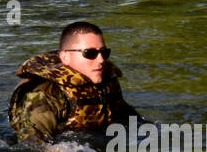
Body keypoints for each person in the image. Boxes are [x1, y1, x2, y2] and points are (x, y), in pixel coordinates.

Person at [8, 21, 141, 145]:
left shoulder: (105, 84)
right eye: (90, 53)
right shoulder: (43, 94)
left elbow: (131, 119)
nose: (101, 60)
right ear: (65, 57)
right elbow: (31, 144)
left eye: (104, 52)